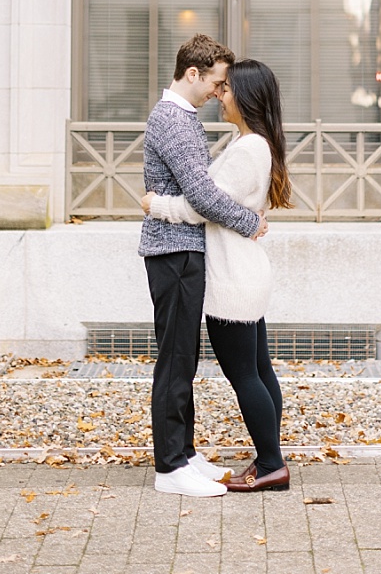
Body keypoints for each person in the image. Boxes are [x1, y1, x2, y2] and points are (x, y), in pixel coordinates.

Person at [145, 58, 295, 493]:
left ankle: (271, 463)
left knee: (246, 374)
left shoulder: (248, 149)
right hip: (243, 271)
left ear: (245, 97)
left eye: (227, 89)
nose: (220, 95)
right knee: (259, 370)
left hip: (233, 277)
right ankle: (270, 459)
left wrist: (156, 205)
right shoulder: (254, 143)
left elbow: (201, 204)